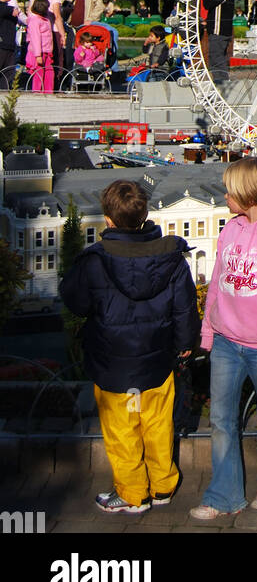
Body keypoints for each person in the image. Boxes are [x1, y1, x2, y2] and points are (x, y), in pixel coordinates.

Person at [60, 179, 199, 514]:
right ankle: (163, 485)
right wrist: (184, 345)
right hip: (157, 361)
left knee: (122, 432)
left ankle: (134, 494)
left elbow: (76, 302)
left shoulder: (94, 260)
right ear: (146, 214)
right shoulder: (171, 257)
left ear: (108, 219)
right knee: (157, 425)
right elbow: (184, 308)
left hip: (113, 364)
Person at [192, 157, 257, 521]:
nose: (225, 197)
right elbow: (217, 286)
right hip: (226, 342)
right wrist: (208, 330)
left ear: (249, 195)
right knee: (221, 420)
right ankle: (224, 496)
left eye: (230, 191)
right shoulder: (230, 231)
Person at [202, 0, 234, 82]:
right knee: (214, 58)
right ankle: (220, 82)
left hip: (219, 31)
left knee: (216, 58)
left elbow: (208, 4)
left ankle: (222, 84)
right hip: (217, 30)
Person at [25, 0, 55, 92]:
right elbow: (35, 38)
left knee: (49, 73)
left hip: (46, 51)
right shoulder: (34, 20)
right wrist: (38, 55)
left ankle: (48, 92)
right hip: (38, 53)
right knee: (38, 74)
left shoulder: (45, 20)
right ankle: (37, 93)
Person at [0, 0, 22, 88]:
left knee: (8, 71)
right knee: (7, 71)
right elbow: (12, 11)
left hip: (9, 44)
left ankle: (5, 91)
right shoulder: (3, 7)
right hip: (3, 44)